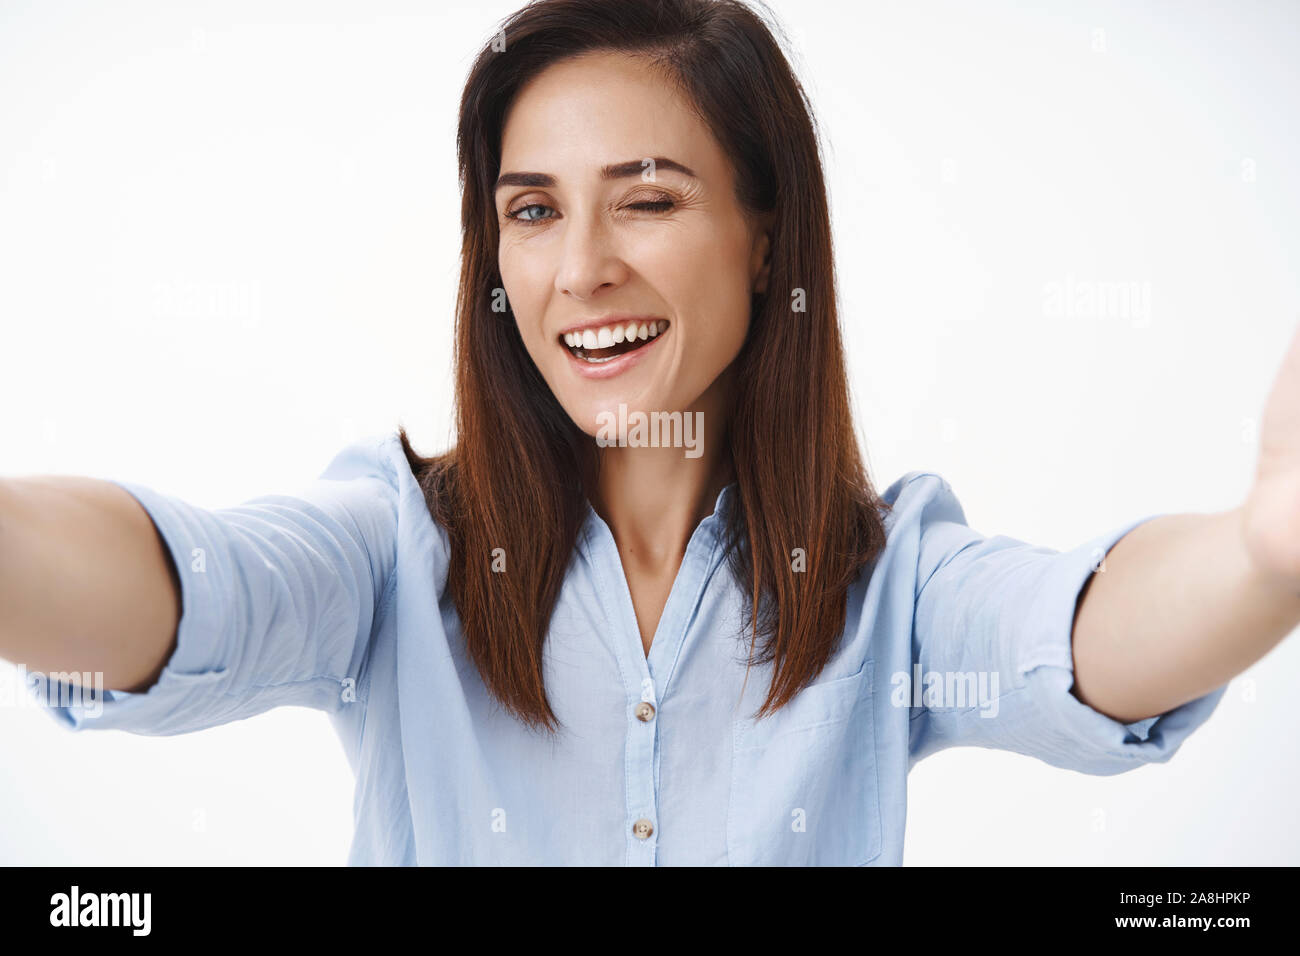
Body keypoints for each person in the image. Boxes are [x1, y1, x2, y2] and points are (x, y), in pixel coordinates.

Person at [3, 0, 1298, 866]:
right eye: (531, 211)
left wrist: (1258, 556)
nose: (581, 270)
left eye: (648, 201)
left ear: (765, 235)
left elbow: (1071, 639)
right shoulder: (395, 552)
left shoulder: (889, 578)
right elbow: (196, 590)